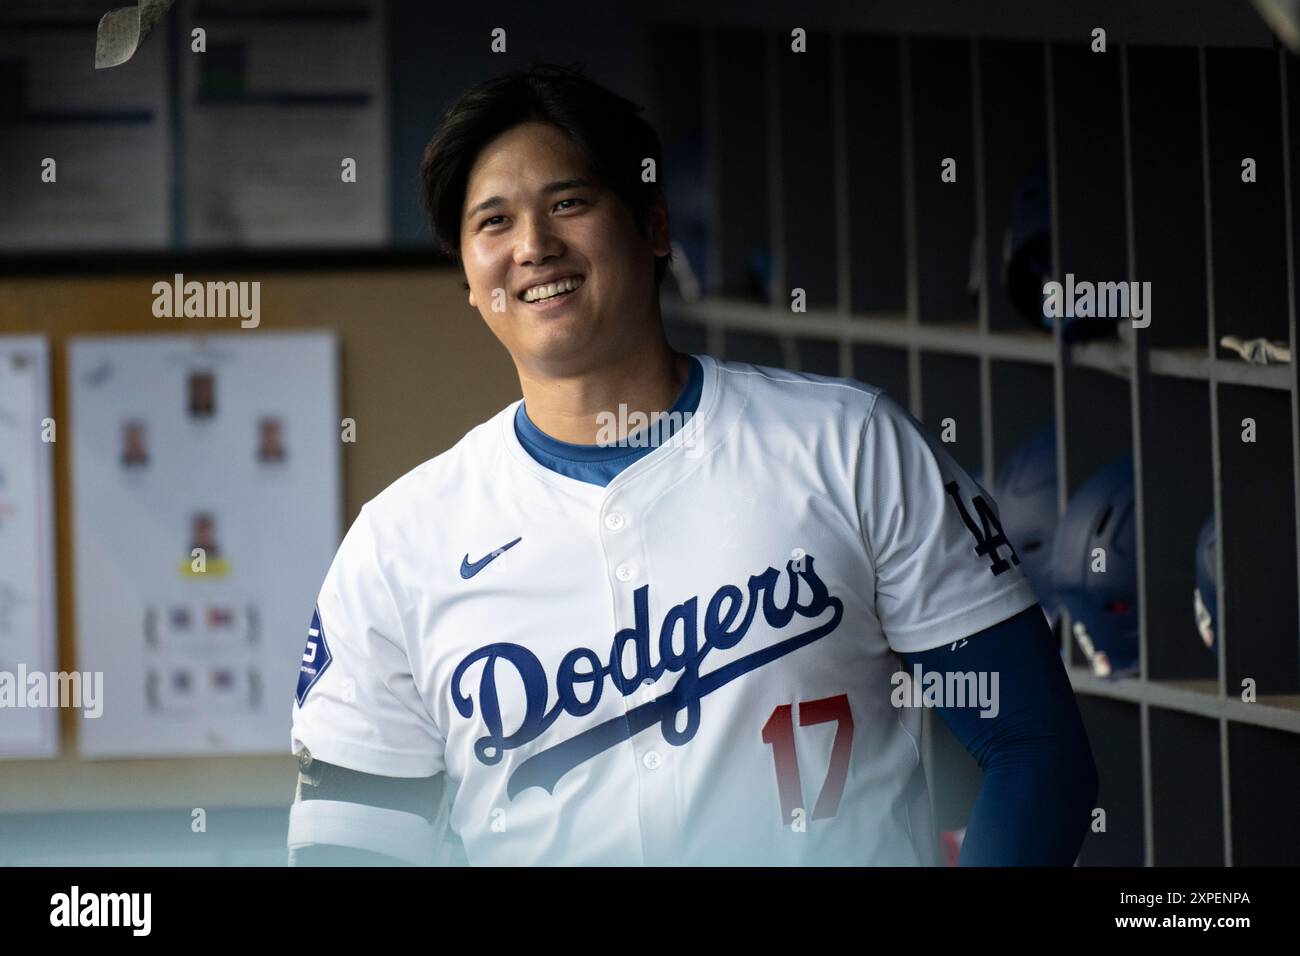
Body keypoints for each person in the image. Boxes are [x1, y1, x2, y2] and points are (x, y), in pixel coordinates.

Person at [288, 62, 1097, 867]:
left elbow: (1036, 748)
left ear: (653, 226)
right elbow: (348, 848)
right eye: (492, 223)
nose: (533, 247)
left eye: (568, 202)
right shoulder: (398, 546)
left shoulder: (845, 445)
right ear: (469, 277)